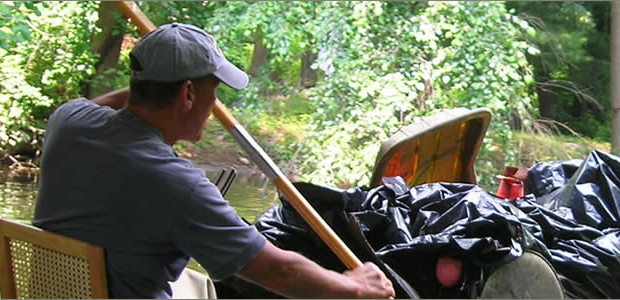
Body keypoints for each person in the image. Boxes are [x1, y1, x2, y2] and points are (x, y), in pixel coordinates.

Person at [33, 23, 394, 299]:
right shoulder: (177, 186)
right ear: (188, 93)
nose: (217, 105)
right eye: (215, 90)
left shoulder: (67, 123)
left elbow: (113, 107)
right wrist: (355, 287)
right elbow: (278, 270)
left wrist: (155, 88)